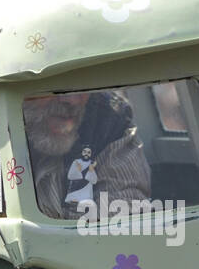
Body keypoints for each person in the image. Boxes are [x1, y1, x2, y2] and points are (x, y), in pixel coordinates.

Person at [21, 89, 151, 220]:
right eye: (52, 84)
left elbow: (123, 218)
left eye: (80, 84)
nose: (71, 100)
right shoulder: (0, 127)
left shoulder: (108, 120)